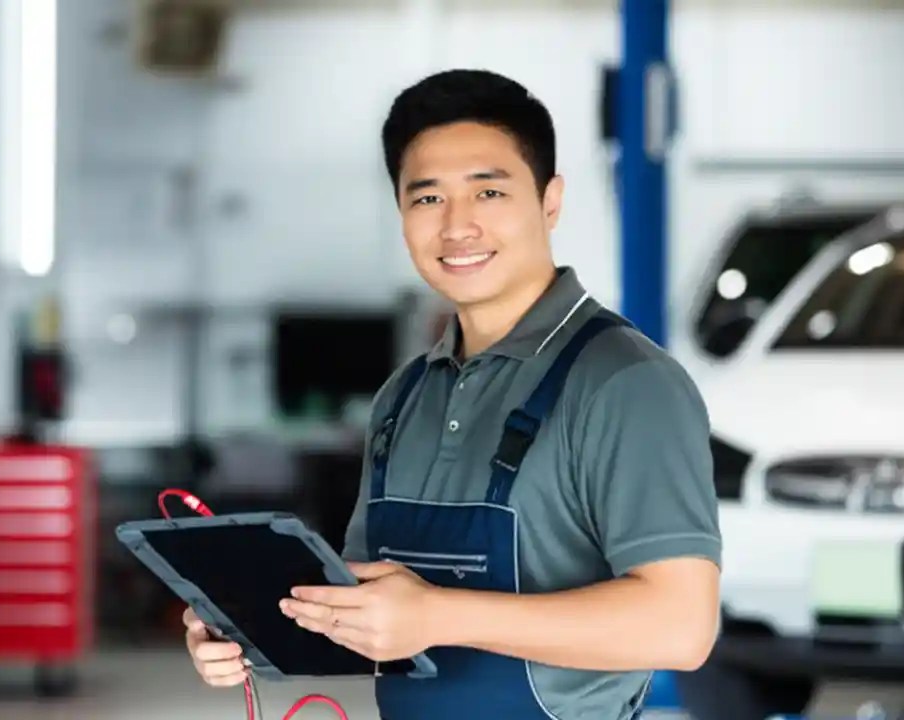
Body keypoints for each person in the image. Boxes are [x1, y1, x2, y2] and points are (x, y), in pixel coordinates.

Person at [184, 68, 722, 720]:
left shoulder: (626, 383)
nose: (457, 226)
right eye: (428, 198)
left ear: (550, 202)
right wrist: (243, 622)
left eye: (489, 191)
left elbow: (681, 626)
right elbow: (366, 610)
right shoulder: (403, 398)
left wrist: (438, 614)